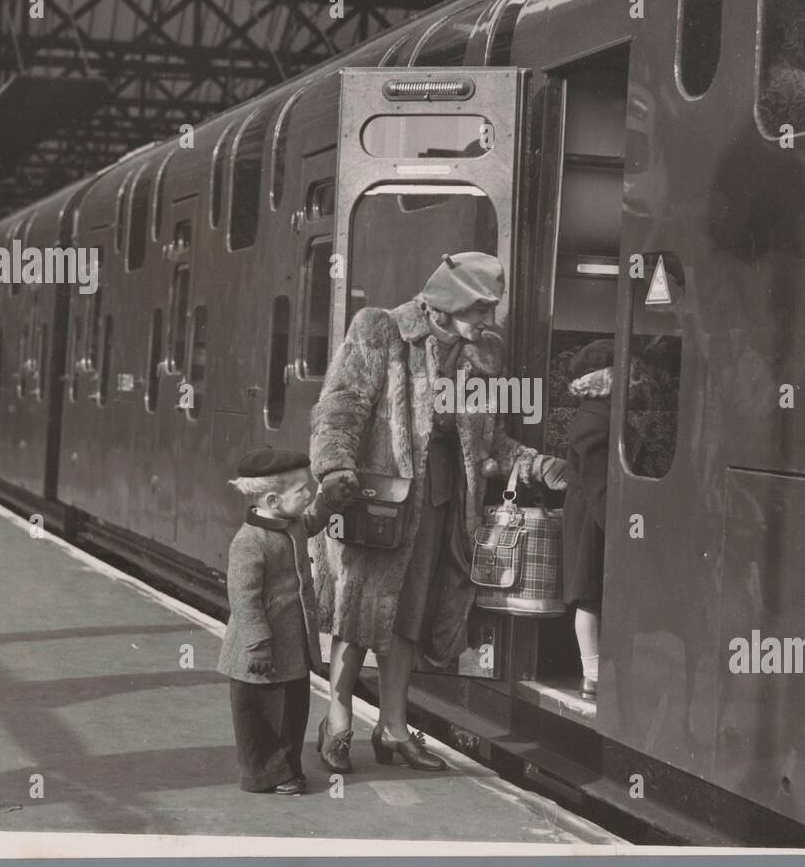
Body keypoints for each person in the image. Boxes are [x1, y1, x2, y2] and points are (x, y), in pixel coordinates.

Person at [310, 251, 565, 772]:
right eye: (479, 310)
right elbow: (343, 405)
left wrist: (539, 466)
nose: (489, 322)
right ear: (446, 306)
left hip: (441, 505)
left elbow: (492, 442)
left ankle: (394, 728)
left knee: (408, 617)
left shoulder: (483, 354)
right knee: (358, 614)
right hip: (377, 501)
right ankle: (337, 720)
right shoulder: (381, 331)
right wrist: (335, 467)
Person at [217, 447, 337, 795]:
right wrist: (257, 643)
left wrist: (330, 502)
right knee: (259, 716)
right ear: (272, 498)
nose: (308, 494)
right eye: (301, 490)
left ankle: (287, 769)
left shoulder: (293, 523)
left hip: (291, 647)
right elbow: (244, 599)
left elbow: (312, 521)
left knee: (291, 712)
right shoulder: (249, 542)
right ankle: (263, 775)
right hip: (259, 653)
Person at [560, 339, 646, 699]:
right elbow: (600, 486)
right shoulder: (600, 420)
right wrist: (617, 530)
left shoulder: (596, 415)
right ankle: (592, 676)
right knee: (589, 597)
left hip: (590, 515)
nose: (636, 379)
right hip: (593, 520)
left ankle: (594, 674)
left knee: (590, 597)